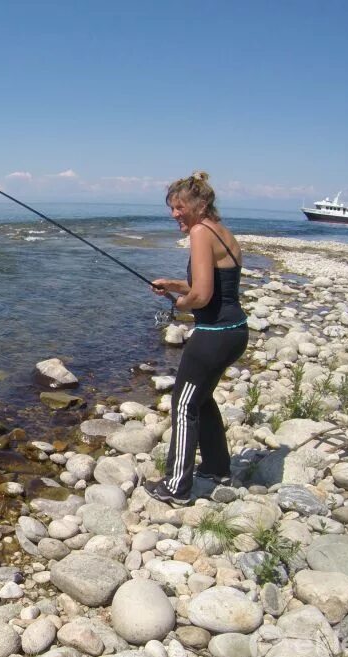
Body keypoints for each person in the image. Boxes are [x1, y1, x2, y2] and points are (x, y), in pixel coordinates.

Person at [144, 171, 248, 505]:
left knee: (184, 402)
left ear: (200, 204)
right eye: (171, 208)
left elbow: (201, 297)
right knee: (201, 398)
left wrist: (180, 304)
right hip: (234, 331)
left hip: (214, 334)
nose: (174, 214)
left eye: (179, 207)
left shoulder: (201, 232)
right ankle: (217, 467)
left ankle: (176, 487)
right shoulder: (221, 231)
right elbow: (215, 289)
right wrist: (175, 286)